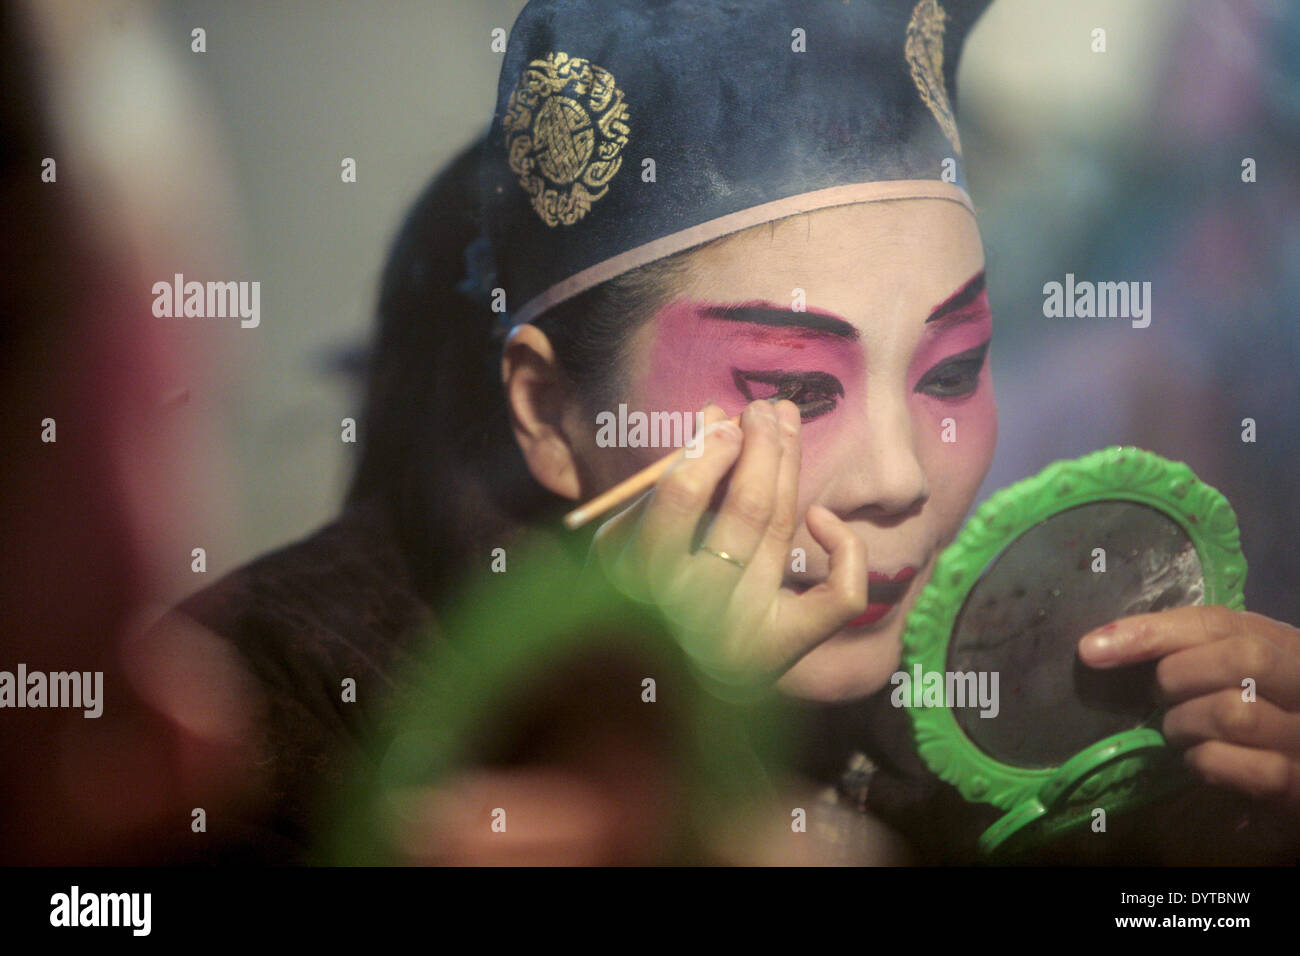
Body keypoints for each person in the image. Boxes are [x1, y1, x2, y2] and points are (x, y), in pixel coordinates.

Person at [172, 0, 1300, 864]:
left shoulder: (1006, 703)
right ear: (551, 412)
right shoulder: (249, 708)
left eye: (951, 366)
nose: (897, 479)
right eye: (797, 390)